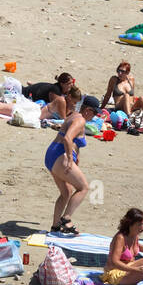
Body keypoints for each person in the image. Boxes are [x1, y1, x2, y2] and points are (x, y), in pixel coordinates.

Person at [45, 88, 97, 234]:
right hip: (60, 155)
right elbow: (68, 138)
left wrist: (76, 157)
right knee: (83, 188)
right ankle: (66, 219)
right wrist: (69, 158)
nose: (95, 116)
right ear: (88, 110)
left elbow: (74, 141)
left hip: (52, 154)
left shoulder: (73, 115)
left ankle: (55, 227)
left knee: (66, 192)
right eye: (95, 112)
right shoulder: (80, 120)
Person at [102, 61, 143, 132]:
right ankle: (129, 120)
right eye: (118, 71)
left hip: (131, 107)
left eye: (122, 71)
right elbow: (108, 94)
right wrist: (102, 107)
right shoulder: (114, 80)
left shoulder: (131, 79)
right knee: (126, 95)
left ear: (127, 73)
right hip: (120, 107)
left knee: (141, 98)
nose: (119, 73)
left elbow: (133, 96)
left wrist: (135, 105)